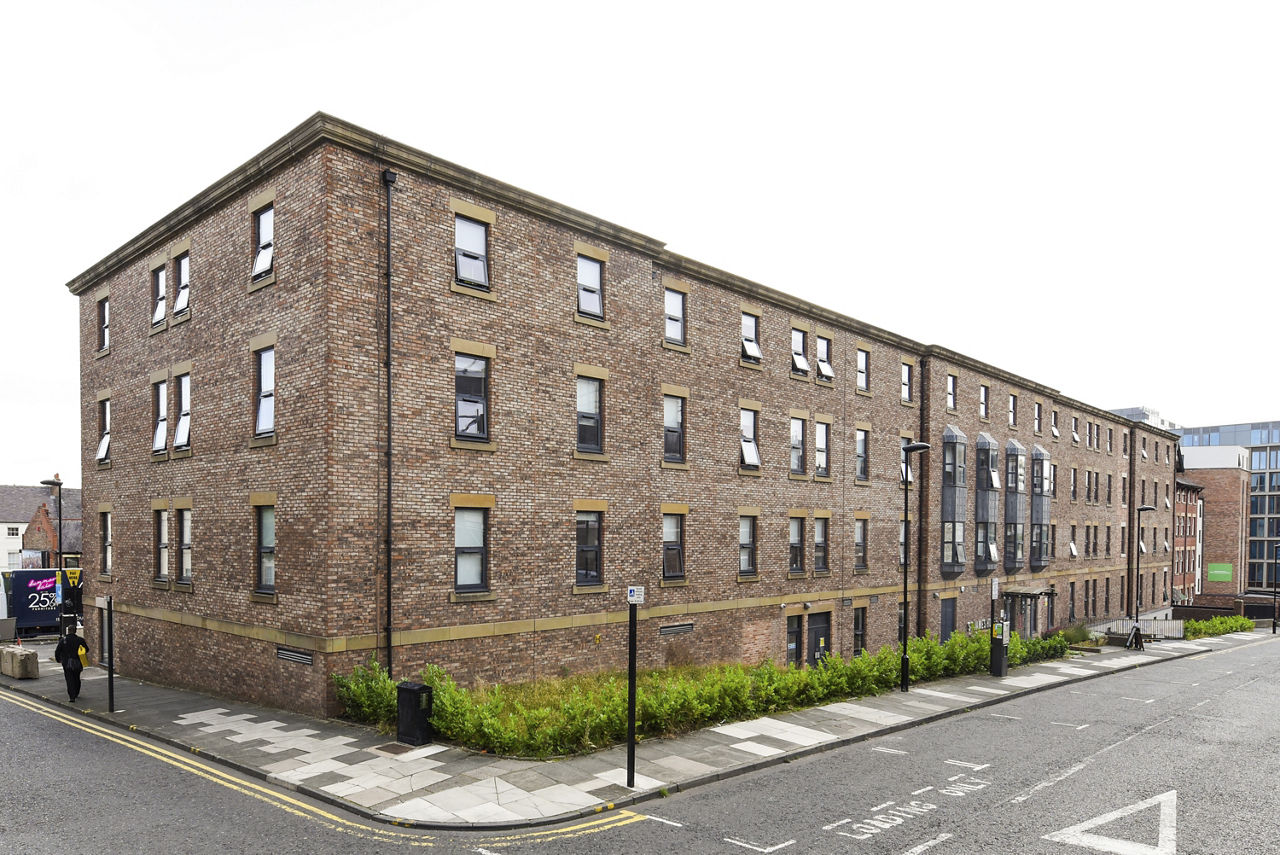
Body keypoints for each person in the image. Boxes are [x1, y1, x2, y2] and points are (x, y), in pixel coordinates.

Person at [54, 626, 89, 702]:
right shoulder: (80, 640)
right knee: (76, 678)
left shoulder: (63, 640)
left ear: (68, 631)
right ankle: (76, 693)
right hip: (78, 662)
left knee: (69, 679)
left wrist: (58, 660)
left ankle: (72, 697)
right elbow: (87, 649)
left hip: (66, 663)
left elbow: (57, 651)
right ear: (75, 631)